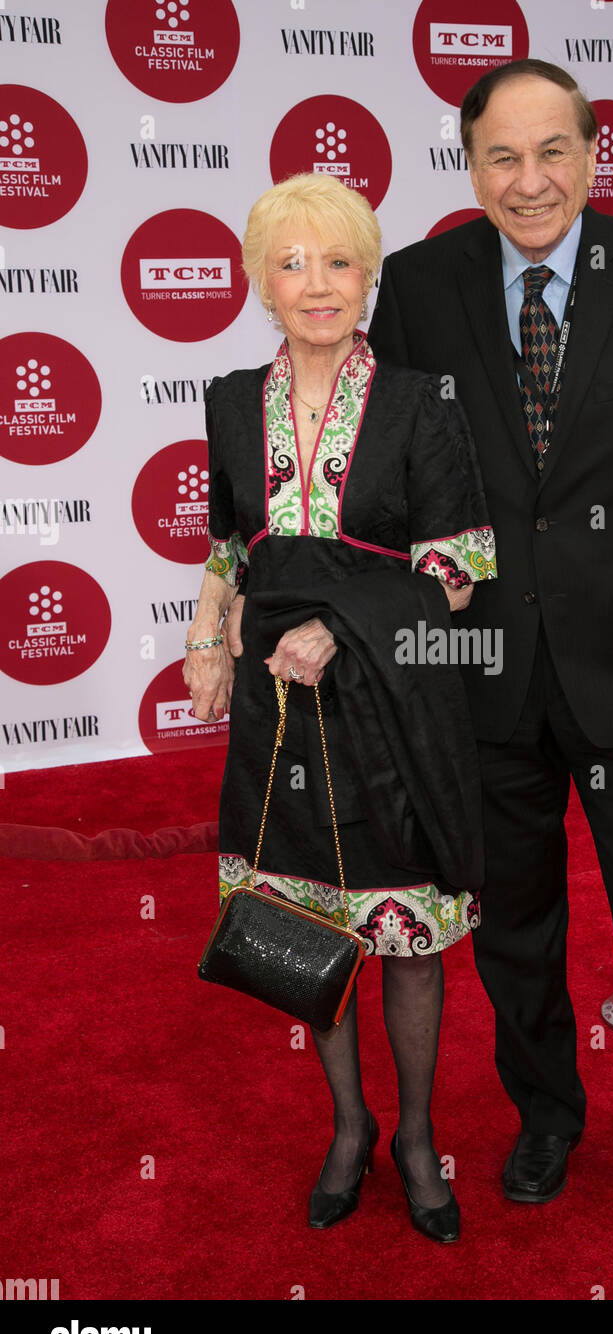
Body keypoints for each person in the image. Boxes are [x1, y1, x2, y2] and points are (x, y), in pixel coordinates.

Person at [368, 60, 613, 1248]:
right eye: (502, 157)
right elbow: (396, 479)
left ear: (594, 155)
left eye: (554, 153)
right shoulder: (421, 285)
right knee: (517, 924)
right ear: (468, 165)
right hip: (481, 670)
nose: (530, 182)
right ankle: (545, 1116)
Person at [183, 173, 496, 1244]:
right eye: (292, 262)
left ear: (369, 275)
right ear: (259, 281)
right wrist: (205, 635)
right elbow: (228, 545)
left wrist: (340, 627)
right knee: (307, 921)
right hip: (278, 705)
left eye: (340, 261)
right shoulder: (228, 400)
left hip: (394, 697)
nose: (318, 285)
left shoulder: (423, 403)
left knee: (405, 936)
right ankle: (350, 1127)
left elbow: (459, 569)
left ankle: (416, 1136)